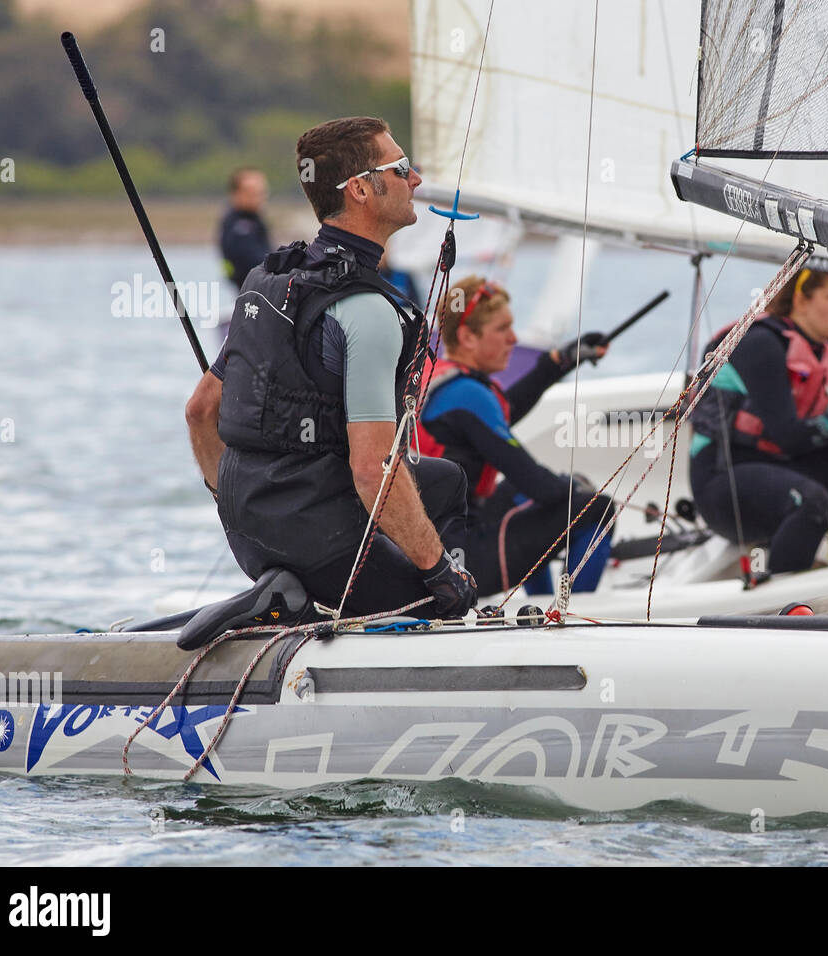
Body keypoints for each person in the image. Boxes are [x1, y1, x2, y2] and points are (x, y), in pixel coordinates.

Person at [182, 116, 476, 646]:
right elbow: (372, 470)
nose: (416, 178)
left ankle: (292, 583)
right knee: (440, 596)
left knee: (446, 480)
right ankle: (429, 611)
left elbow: (201, 411)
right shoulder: (367, 311)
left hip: (247, 528)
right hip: (317, 537)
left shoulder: (274, 282)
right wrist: (440, 573)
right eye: (403, 168)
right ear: (362, 189)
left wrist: (231, 502)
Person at [416, 276, 617, 596]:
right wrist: (574, 485)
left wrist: (558, 362)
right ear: (468, 336)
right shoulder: (470, 396)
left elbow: (504, 410)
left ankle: (541, 606)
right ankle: (568, 615)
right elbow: (538, 485)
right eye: (502, 329)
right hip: (459, 561)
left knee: (516, 494)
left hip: (428, 547)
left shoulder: (439, 380)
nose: (513, 338)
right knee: (595, 507)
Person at [688, 267, 828, 574]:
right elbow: (787, 436)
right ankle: (787, 596)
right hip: (723, 484)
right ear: (802, 300)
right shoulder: (759, 344)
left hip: (783, 470)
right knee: (811, 502)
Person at [218, 167, 272, 292]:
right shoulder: (239, 227)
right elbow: (256, 263)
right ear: (236, 194)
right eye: (252, 192)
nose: (259, 197)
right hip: (251, 290)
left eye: (262, 192)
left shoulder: (254, 220)